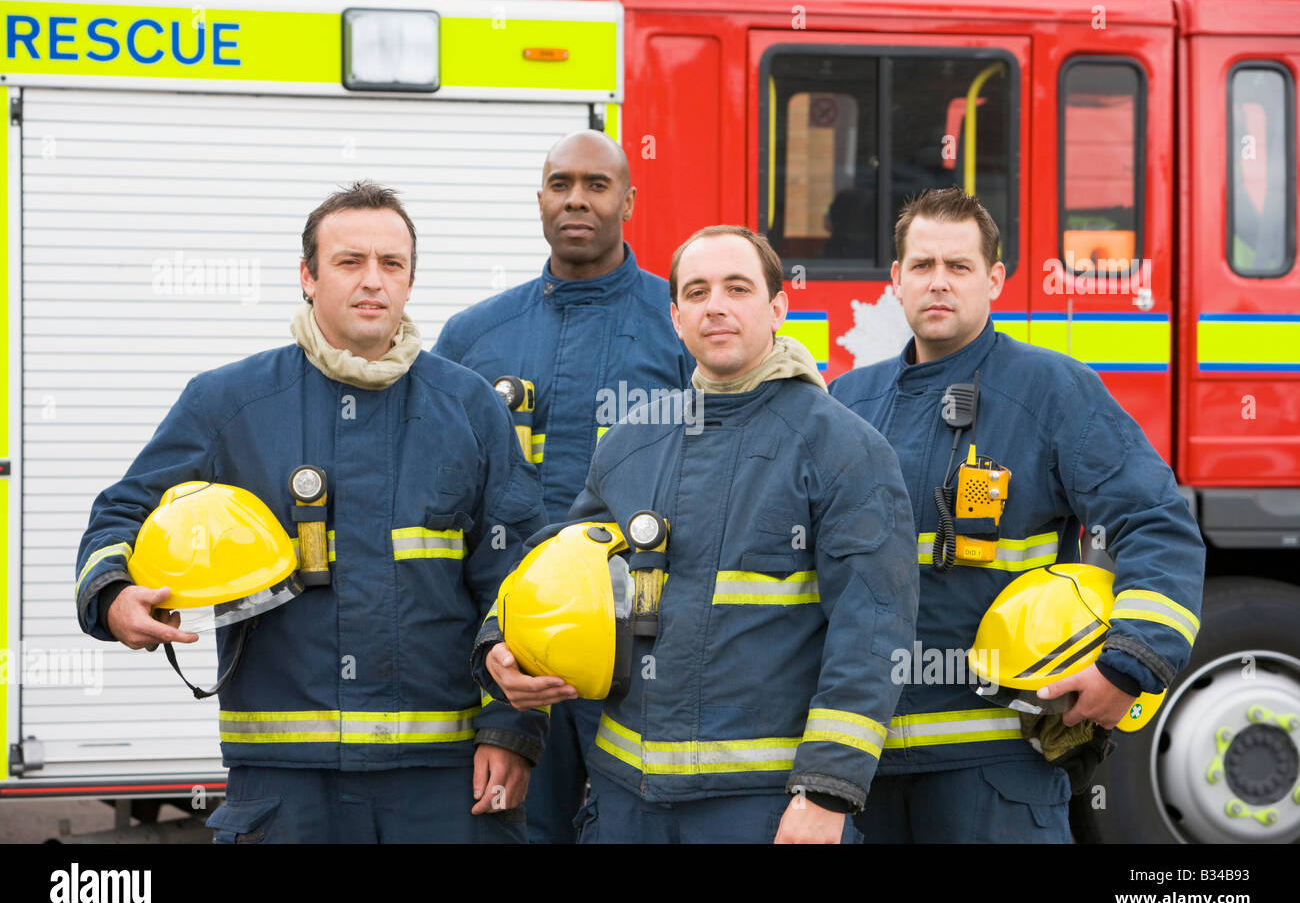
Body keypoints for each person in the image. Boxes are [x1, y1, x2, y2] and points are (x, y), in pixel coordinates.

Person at [74, 181, 547, 843]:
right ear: (307, 275)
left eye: (392, 264)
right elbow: (121, 514)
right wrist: (115, 594)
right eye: (350, 262)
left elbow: (523, 578)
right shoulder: (227, 404)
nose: (372, 281)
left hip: (444, 780)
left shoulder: (469, 409)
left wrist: (512, 732)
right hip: (284, 786)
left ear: (411, 281)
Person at [475, 225, 918, 843]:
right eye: (698, 291)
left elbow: (872, 634)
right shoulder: (631, 443)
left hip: (762, 809)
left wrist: (826, 792)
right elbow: (559, 567)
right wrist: (499, 641)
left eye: (737, 288)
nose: (717, 305)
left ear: (777, 307)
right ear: (676, 318)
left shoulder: (844, 449)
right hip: (627, 806)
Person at [829, 186, 1205, 842]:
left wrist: (1128, 666)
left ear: (995, 278)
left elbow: (1157, 523)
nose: (938, 283)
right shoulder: (847, 401)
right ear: (895, 279)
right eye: (922, 266)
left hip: (996, 769)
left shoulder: (1052, 390)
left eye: (959, 266)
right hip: (862, 764)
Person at [434, 130, 693, 843]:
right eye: (560, 183)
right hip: (512, 660)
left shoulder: (679, 329)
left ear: (630, 202)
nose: (576, 199)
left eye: (597, 184)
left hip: (644, 663)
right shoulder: (473, 337)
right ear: (540, 197)